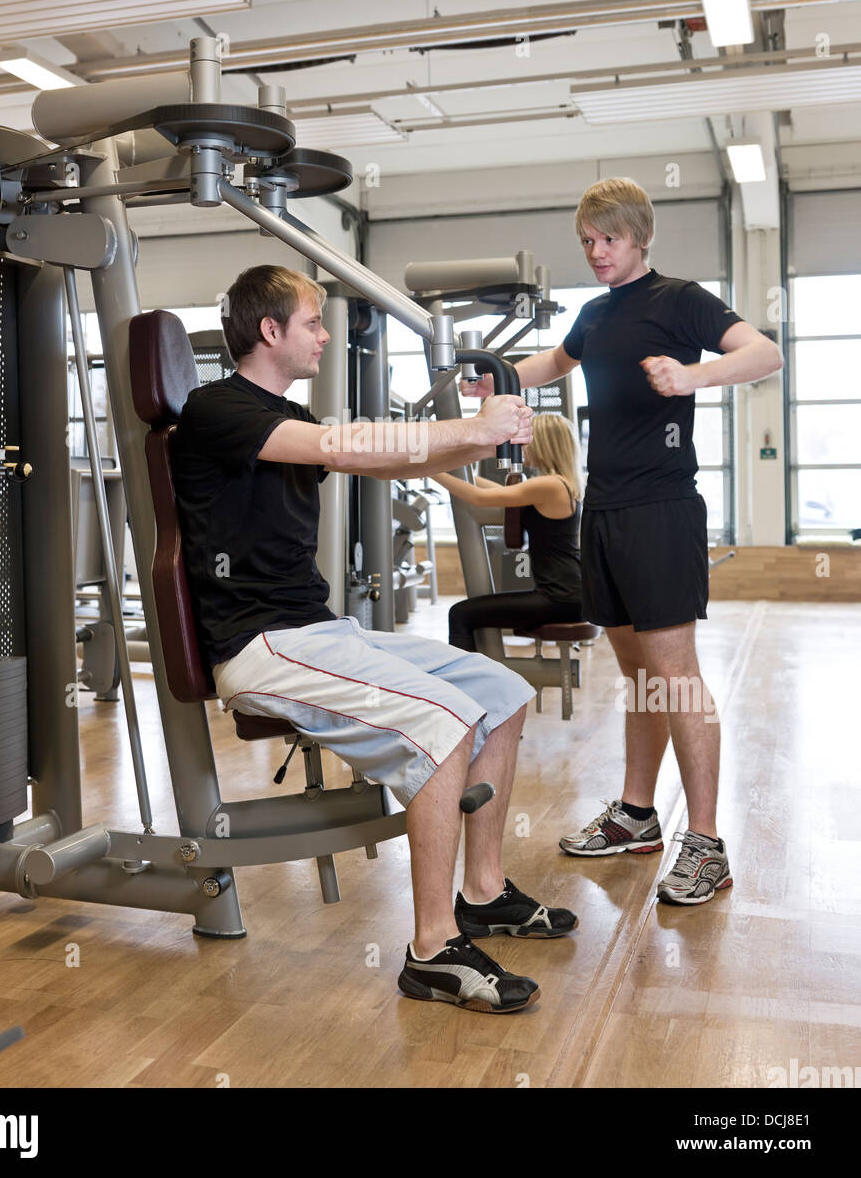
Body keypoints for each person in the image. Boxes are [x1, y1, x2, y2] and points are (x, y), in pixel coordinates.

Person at [171, 265, 578, 1013]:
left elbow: (391, 455)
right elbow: (357, 446)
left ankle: (482, 893)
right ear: (270, 331)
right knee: (443, 722)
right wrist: (474, 429)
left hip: (320, 632)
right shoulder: (216, 409)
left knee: (502, 692)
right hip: (261, 645)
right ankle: (431, 950)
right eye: (313, 322)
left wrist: (482, 438)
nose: (325, 335)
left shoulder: (283, 420)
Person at [463, 178, 783, 905]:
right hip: (604, 509)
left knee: (676, 674)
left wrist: (692, 374)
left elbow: (765, 355)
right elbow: (557, 362)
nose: (596, 251)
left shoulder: (681, 299)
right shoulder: (596, 313)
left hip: (661, 508)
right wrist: (499, 378)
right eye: (587, 241)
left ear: (639, 236)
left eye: (608, 239)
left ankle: (705, 844)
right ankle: (639, 815)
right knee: (637, 668)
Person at [431, 413, 583, 652]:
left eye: (527, 441)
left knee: (460, 613)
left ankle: (465, 685)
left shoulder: (549, 485)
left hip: (559, 598)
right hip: (567, 595)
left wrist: (429, 470)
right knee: (465, 612)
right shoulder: (560, 483)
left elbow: (479, 498)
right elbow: (502, 492)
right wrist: (461, 470)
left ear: (544, 444)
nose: (522, 447)